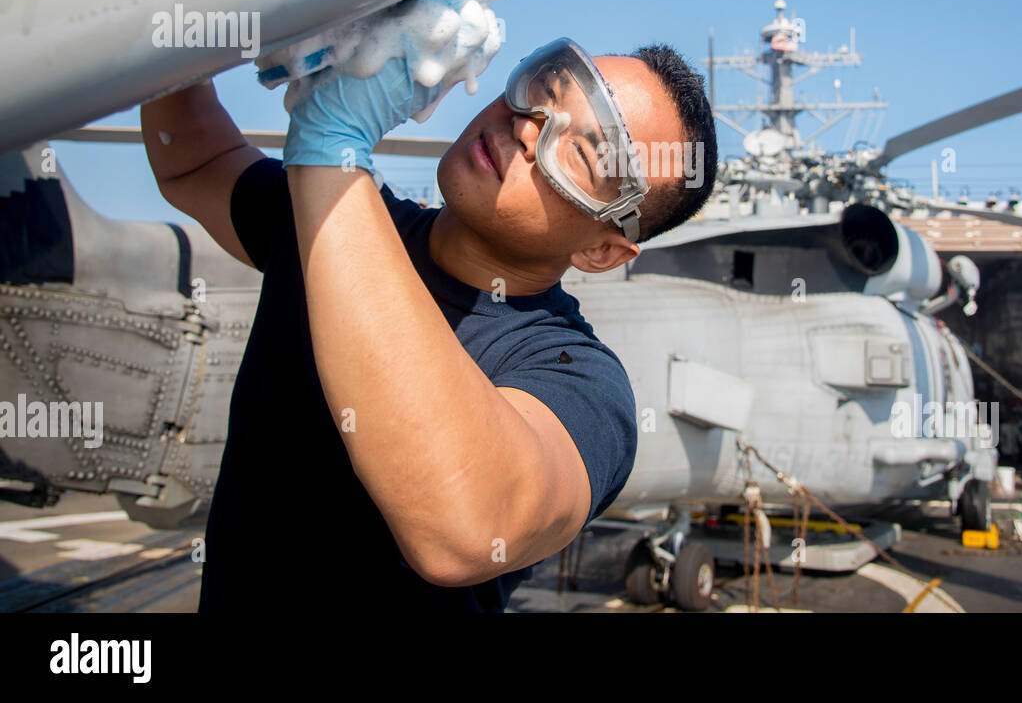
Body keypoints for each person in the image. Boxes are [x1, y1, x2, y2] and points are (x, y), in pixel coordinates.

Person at [141, 36, 718, 612]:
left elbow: (465, 528)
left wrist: (331, 149)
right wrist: (187, 20)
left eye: (580, 156)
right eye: (545, 91)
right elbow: (195, 160)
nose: (528, 127)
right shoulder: (336, 219)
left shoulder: (581, 385)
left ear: (602, 251)